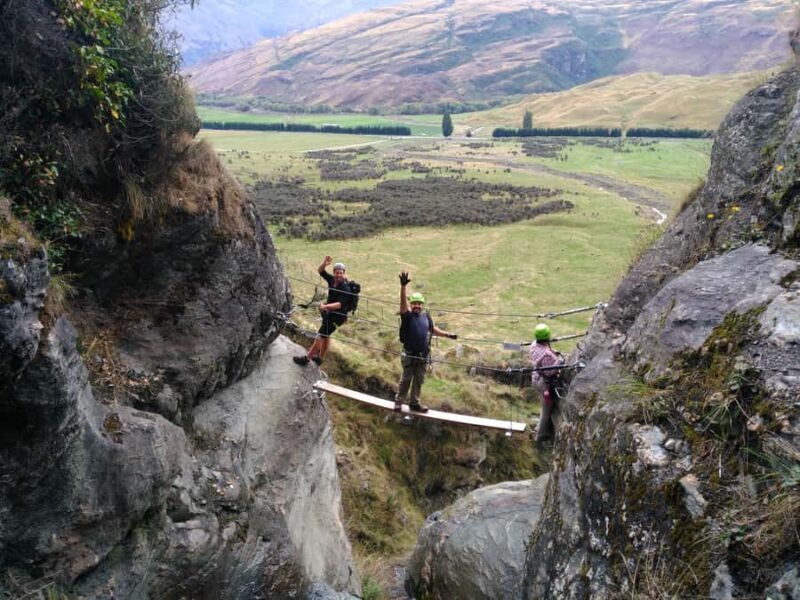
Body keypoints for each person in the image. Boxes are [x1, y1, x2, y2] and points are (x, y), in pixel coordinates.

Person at [394, 271, 457, 412]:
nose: (417, 306)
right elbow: (403, 305)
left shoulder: (426, 316)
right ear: (411, 304)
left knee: (419, 379)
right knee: (406, 379)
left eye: (419, 304)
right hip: (409, 354)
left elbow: (432, 329)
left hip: (423, 354)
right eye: (414, 304)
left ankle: (414, 403)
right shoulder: (407, 315)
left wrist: (447, 334)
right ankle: (399, 401)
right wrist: (403, 287)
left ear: (422, 305)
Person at [294, 256, 355, 366]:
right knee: (326, 335)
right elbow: (320, 271)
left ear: (344, 273)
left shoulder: (345, 288)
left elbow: (339, 305)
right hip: (329, 315)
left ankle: (307, 359)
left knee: (320, 336)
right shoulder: (332, 280)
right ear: (334, 272)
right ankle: (320, 358)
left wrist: (325, 306)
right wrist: (324, 263)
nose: (339, 275)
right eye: (337, 272)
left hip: (337, 317)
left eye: (341, 273)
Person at [529, 323, 564, 442]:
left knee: (544, 405)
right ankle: (541, 436)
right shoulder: (547, 355)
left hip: (536, 378)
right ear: (548, 336)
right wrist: (559, 362)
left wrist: (553, 352)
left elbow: (544, 351)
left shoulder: (534, 345)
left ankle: (541, 430)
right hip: (545, 384)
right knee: (546, 411)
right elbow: (549, 372)